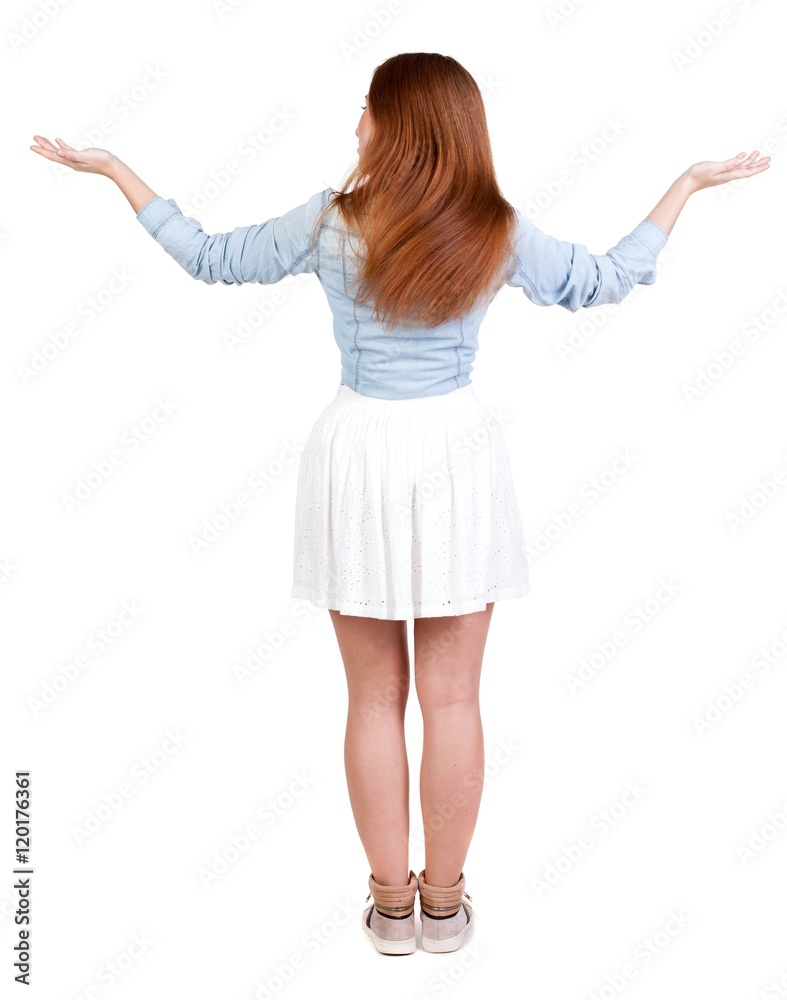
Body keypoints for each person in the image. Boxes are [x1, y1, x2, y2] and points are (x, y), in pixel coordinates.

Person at [31, 51, 769, 957]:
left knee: (373, 699)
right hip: (454, 454)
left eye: (367, 108)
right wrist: (684, 187)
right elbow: (601, 279)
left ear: (397, 124)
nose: (355, 124)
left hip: (357, 452)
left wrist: (117, 171)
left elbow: (209, 257)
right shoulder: (493, 228)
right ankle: (444, 908)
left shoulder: (329, 220)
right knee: (452, 701)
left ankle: (390, 909)